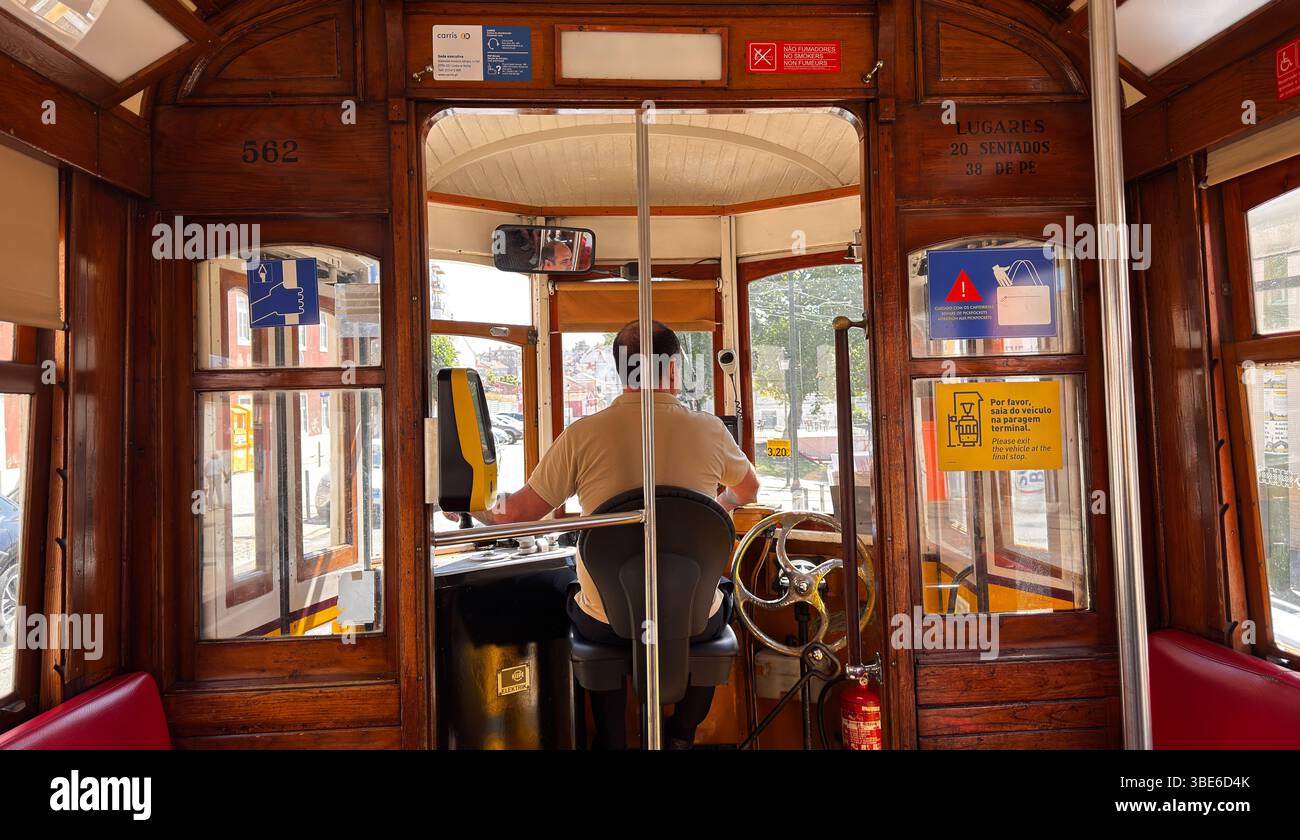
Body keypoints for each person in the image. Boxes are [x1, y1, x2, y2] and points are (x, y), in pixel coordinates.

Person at [452, 320, 760, 748]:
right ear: (674, 370)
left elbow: (517, 513)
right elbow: (749, 490)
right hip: (694, 619)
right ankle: (682, 736)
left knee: (587, 605)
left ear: (623, 372)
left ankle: (611, 740)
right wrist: (718, 508)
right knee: (718, 598)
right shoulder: (710, 430)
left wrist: (471, 504)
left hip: (606, 621)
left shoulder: (583, 435)